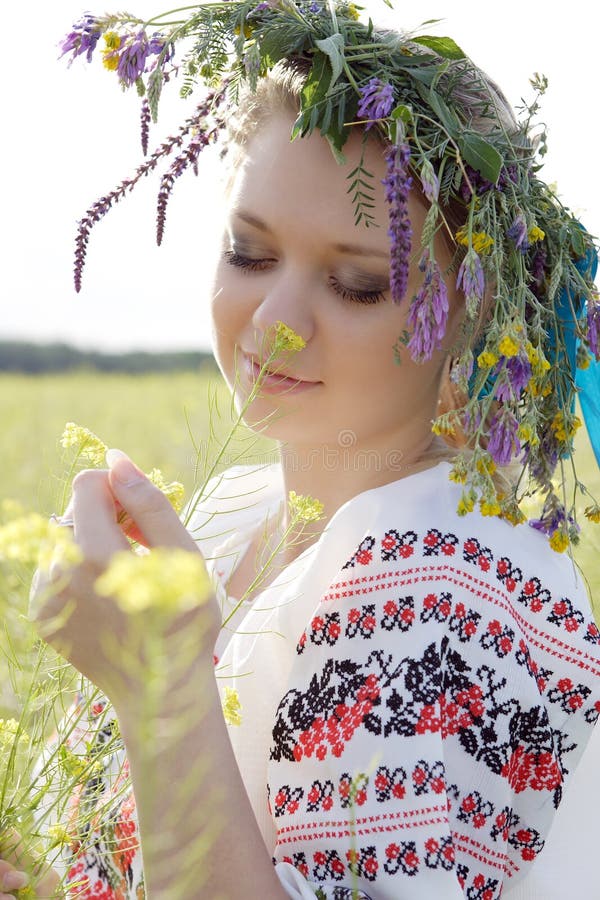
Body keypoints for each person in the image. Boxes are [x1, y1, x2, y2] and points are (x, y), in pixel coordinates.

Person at [2, 2, 600, 898]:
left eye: (357, 285)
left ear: (472, 323)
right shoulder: (229, 512)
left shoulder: (452, 586)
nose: (274, 322)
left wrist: (165, 694)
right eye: (249, 253)